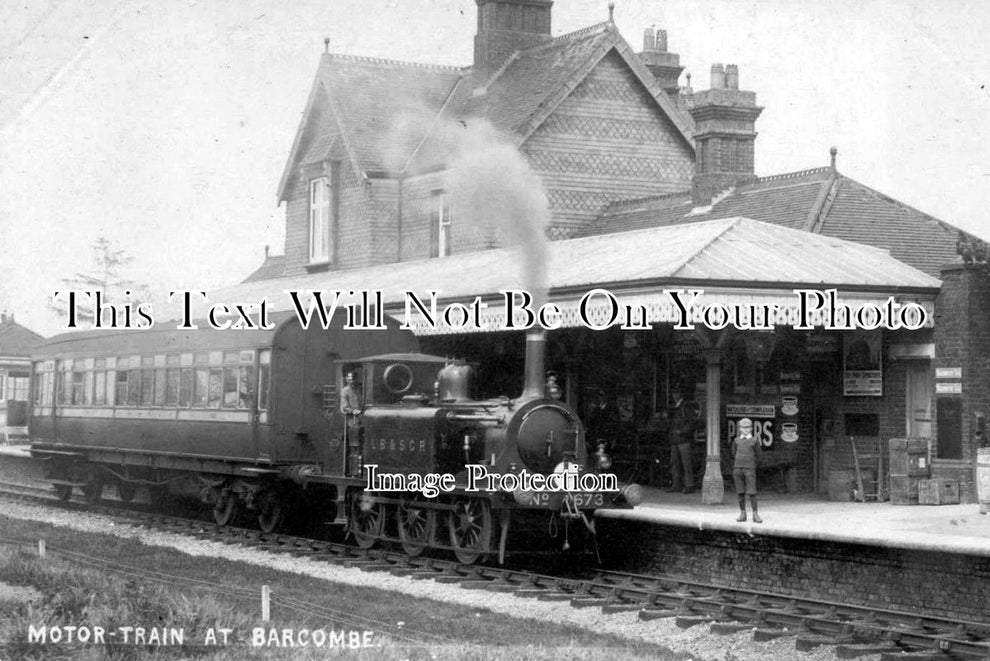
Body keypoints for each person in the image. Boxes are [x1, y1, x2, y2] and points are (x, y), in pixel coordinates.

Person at [667, 384, 696, 494]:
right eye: (674, 393)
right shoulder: (674, 406)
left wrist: (682, 431)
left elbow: (692, 422)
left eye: (677, 393)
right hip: (675, 439)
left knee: (686, 463)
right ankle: (676, 484)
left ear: (680, 394)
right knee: (675, 463)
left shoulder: (686, 406)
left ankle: (689, 485)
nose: (675, 395)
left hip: (684, 439)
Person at [732, 417, 762, 523]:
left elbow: (758, 455)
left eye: (748, 427)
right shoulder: (736, 440)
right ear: (740, 428)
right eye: (743, 427)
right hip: (738, 468)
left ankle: (755, 514)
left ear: (751, 428)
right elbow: (734, 453)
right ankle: (742, 513)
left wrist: (752, 465)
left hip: (749, 469)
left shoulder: (754, 441)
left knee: (752, 491)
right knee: (740, 492)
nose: (745, 429)